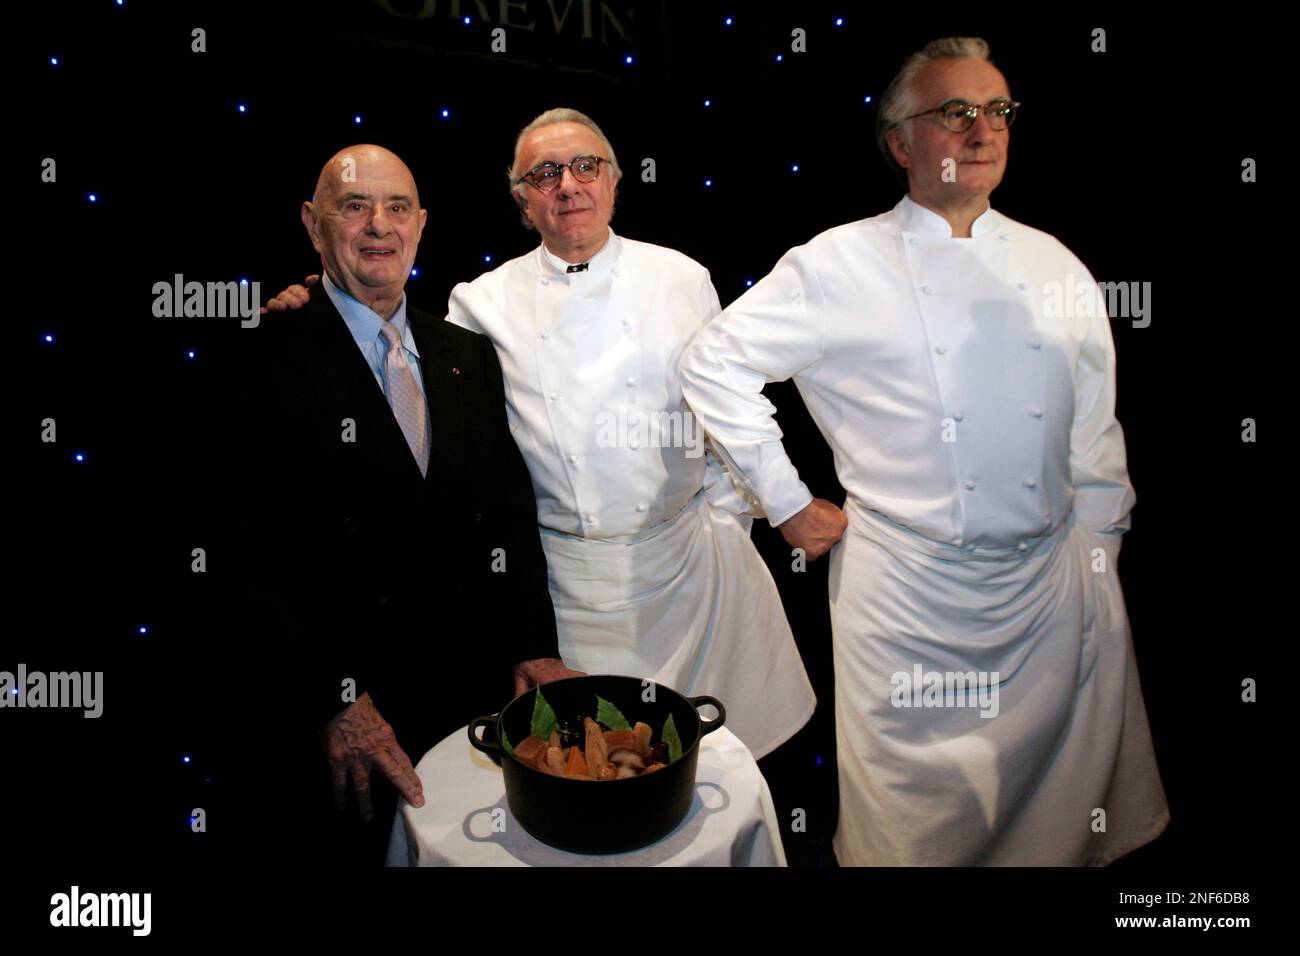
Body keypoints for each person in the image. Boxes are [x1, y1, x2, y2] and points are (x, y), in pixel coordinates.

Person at [679, 38, 1169, 864]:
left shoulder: (1056, 264)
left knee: (1059, 822)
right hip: (905, 604)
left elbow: (1094, 430)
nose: (983, 129)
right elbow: (711, 361)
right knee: (911, 834)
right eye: (955, 112)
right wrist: (788, 502)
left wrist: (1101, 548)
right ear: (901, 143)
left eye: (998, 111)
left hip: (1049, 596)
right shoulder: (836, 262)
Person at [266, 111, 816, 759]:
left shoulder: (683, 277)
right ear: (521, 199)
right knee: (590, 773)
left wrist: (723, 521)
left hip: (693, 579)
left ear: (613, 181)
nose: (569, 185)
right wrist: (312, 307)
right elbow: (388, 374)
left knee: (721, 773)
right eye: (545, 173)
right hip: (569, 593)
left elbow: (723, 401)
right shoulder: (481, 302)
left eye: (587, 167)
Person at [232, 144, 575, 867]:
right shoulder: (262, 353)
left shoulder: (466, 354)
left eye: (395, 208)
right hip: (351, 720)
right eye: (354, 207)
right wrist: (333, 700)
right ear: (312, 224)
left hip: (471, 702)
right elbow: (247, 552)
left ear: (421, 225)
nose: (377, 225)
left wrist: (534, 644)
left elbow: (509, 513)